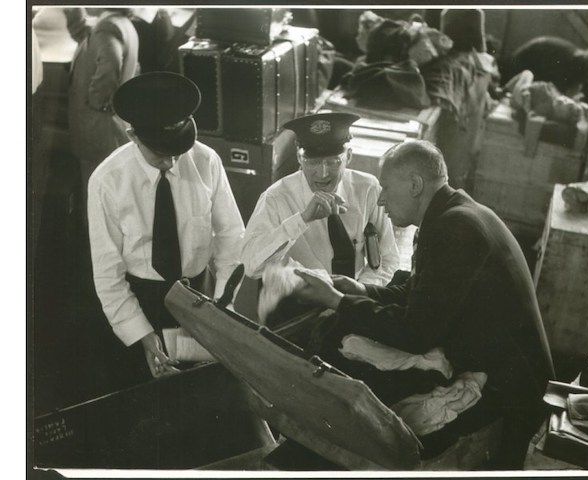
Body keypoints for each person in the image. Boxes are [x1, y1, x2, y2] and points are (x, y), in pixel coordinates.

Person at [292, 139, 555, 469]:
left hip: (509, 390)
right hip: (489, 362)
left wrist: (337, 301)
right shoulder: (451, 213)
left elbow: (415, 333)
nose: (382, 199)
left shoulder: (454, 227)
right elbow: (417, 295)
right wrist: (359, 290)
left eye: (386, 187)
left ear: (415, 184)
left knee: (364, 389)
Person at [87, 72, 245, 382]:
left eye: (178, 151)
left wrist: (223, 308)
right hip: (141, 301)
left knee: (202, 390)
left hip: (201, 296)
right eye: (160, 153)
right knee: (142, 393)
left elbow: (231, 237)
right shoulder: (107, 181)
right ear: (133, 135)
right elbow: (108, 273)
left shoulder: (206, 161)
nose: (172, 163)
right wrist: (143, 335)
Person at [241, 112, 399, 289]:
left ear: (349, 156)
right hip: (300, 300)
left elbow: (387, 259)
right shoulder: (276, 198)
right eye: (312, 162)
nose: (322, 174)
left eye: (333, 162)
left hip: (356, 296)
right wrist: (301, 220)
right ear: (300, 158)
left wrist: (360, 291)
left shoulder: (368, 189)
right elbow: (251, 267)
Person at [64, 7, 139, 217]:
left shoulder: (108, 27)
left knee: (98, 205)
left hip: (97, 129)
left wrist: (97, 102)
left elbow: (110, 65)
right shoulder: (121, 24)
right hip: (110, 127)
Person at [502, 36, 588, 102]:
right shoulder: (573, 64)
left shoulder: (578, 60)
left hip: (529, 64)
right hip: (521, 66)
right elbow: (554, 93)